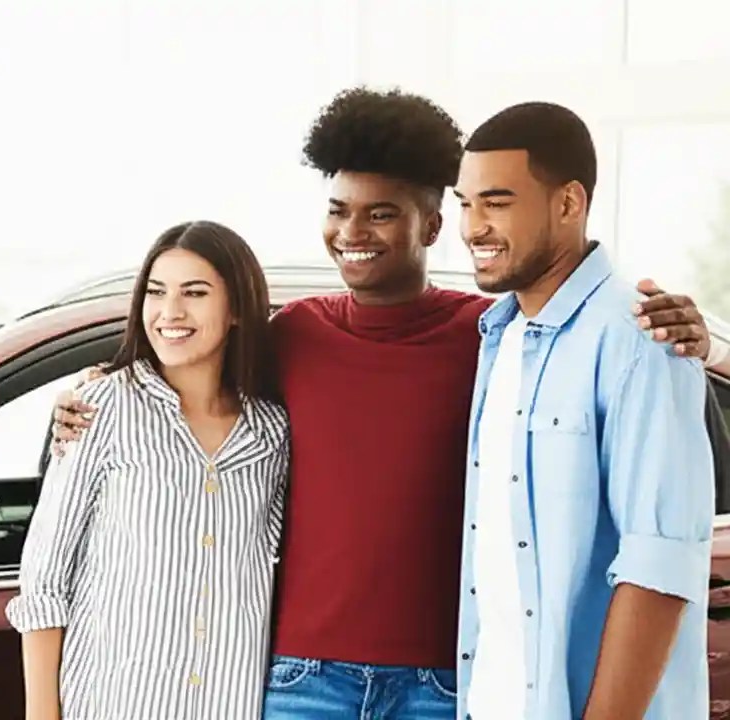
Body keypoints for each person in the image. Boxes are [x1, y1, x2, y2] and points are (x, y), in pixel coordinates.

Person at [50, 87, 726, 719]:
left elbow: (617, 369)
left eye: (381, 213)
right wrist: (85, 398)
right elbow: (185, 389)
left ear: (430, 225)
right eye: (339, 210)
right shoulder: (292, 337)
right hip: (300, 679)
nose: (354, 231)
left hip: (445, 684)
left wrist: (693, 336)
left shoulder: (492, 337)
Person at [455, 102, 713, 719]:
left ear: (569, 203)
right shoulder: (500, 337)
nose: (472, 227)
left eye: (496, 202)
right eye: (464, 203)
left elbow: (659, 566)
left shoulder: (641, 339)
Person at [5, 221, 292, 720]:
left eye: (195, 293)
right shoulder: (101, 410)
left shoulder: (271, 432)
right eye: (156, 293)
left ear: (239, 309)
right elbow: (45, 581)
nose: (170, 312)